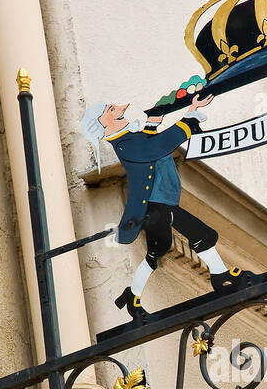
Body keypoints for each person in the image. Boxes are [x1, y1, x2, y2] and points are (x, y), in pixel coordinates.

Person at [80, 96, 253, 320]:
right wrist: (190, 117)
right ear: (104, 122)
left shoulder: (129, 138)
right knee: (198, 234)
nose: (120, 110)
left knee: (160, 249)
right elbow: (155, 147)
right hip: (155, 205)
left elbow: (148, 142)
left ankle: (133, 295)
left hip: (164, 201)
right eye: (112, 110)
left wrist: (153, 121)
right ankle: (220, 275)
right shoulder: (123, 144)